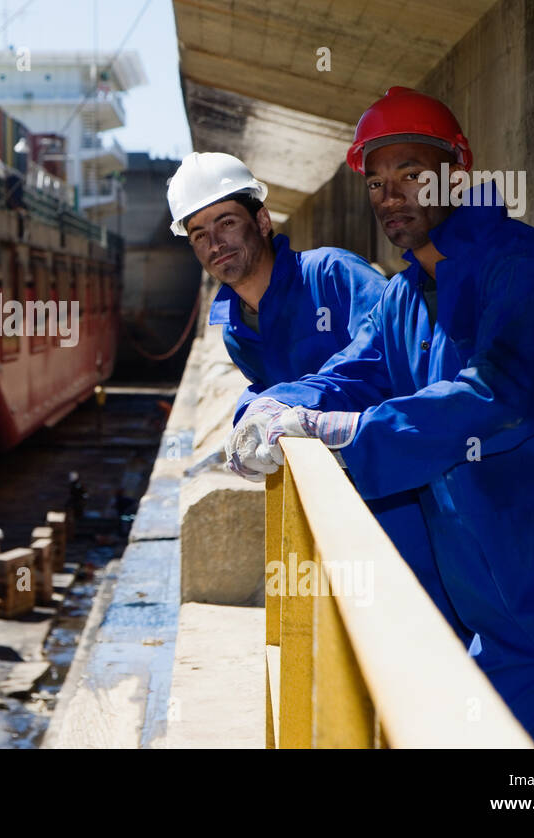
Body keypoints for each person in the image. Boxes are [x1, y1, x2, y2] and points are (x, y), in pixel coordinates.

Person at [233, 86, 534, 747]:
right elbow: (351, 375)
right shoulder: (407, 296)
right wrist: (270, 408)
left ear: (457, 173)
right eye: (378, 183)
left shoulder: (523, 265)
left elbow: (500, 394)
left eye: (411, 175)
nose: (391, 198)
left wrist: (352, 435)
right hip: (500, 598)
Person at [170, 152, 465, 642]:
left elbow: (393, 355)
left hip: (402, 488)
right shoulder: (237, 329)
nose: (215, 242)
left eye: (226, 222)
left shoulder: (331, 274)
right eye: (199, 234)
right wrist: (254, 412)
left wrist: (307, 411)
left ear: (262, 221)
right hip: (332, 499)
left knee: (431, 627)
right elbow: (264, 392)